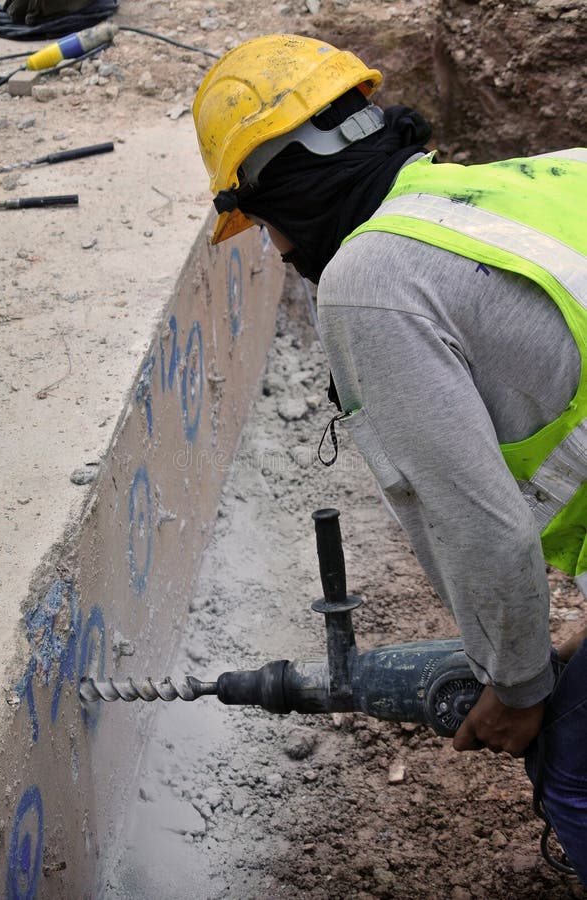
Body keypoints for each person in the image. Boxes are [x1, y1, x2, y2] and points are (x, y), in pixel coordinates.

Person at [192, 33, 587, 883]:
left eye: (264, 227)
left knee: (578, 766)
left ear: (289, 194)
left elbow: (482, 528)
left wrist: (518, 690)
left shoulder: (371, 279)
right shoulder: (533, 182)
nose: (281, 255)